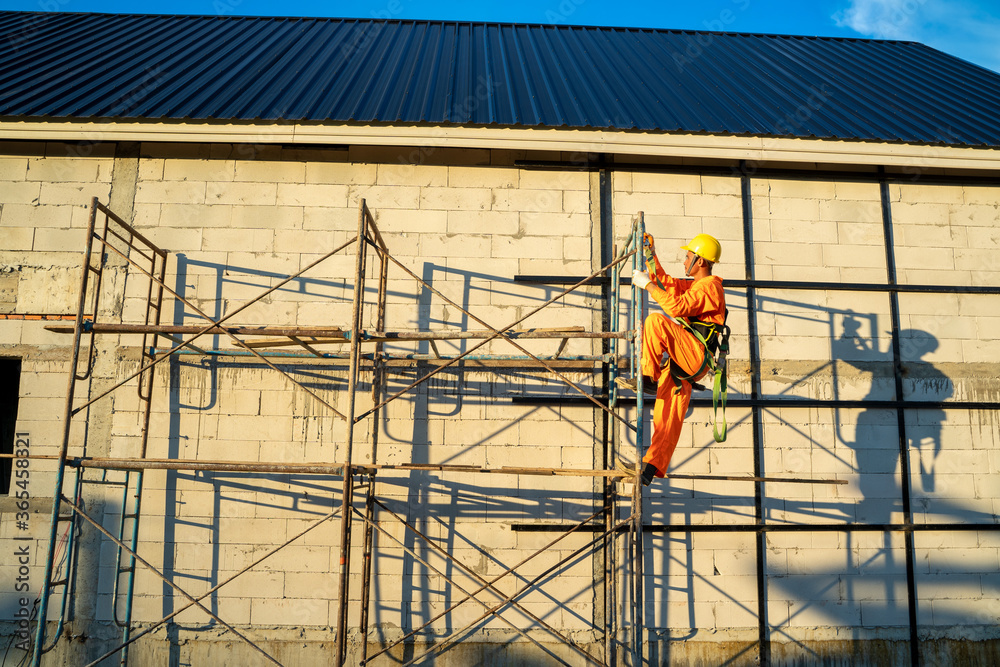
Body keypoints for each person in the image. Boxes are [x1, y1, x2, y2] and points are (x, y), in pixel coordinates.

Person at [619, 233, 726, 485]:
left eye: (688, 256)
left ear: (700, 261)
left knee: (656, 321)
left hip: (695, 353)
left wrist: (648, 286)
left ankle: (647, 377)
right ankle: (650, 468)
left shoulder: (710, 287)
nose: (684, 259)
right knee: (667, 412)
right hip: (687, 359)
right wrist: (649, 254)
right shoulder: (696, 286)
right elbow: (667, 283)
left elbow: (676, 308)